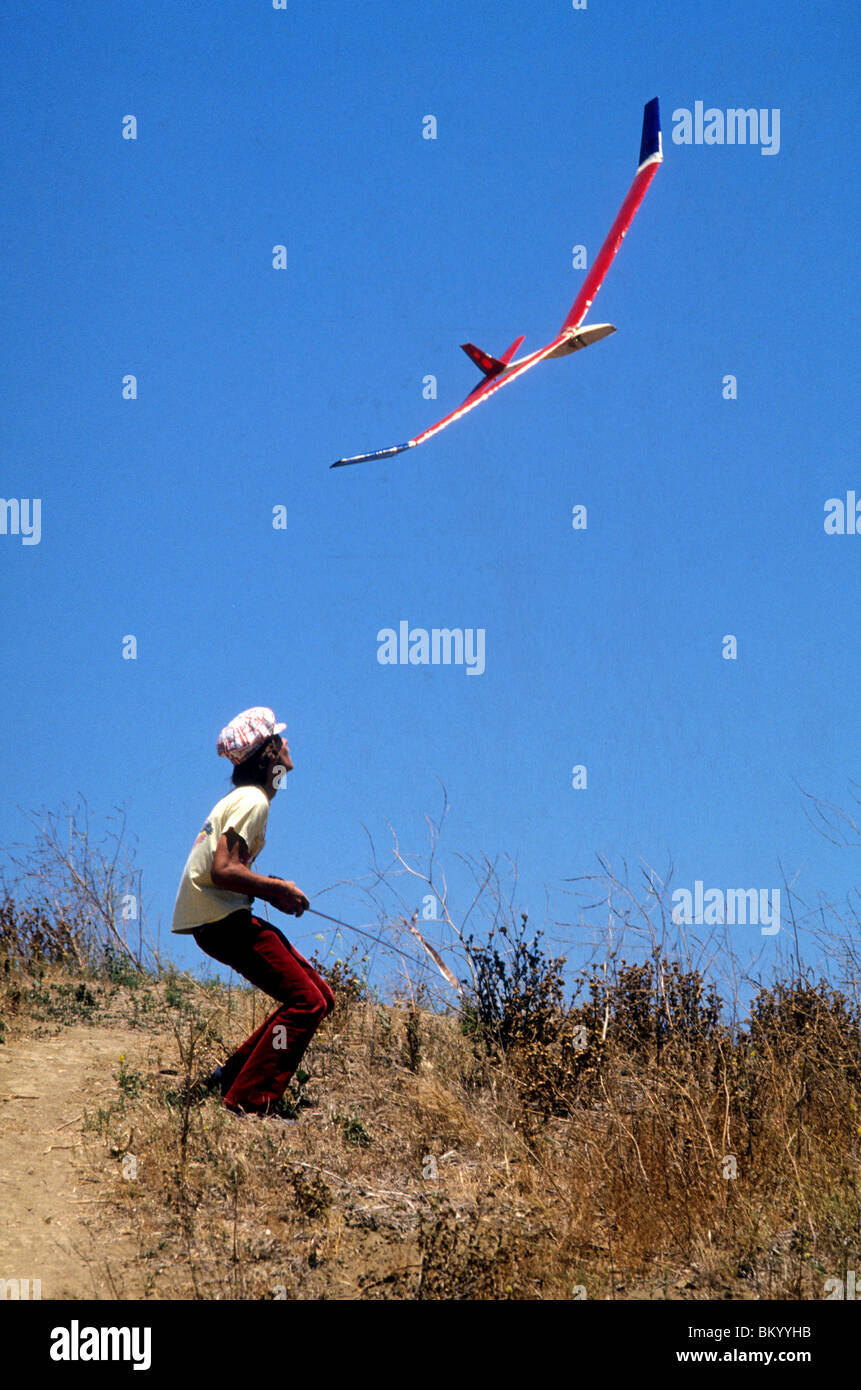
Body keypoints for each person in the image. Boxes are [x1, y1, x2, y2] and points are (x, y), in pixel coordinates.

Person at [171, 706, 334, 1119]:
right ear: (270, 754)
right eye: (280, 739)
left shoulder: (242, 798)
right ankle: (248, 1098)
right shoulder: (253, 800)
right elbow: (223, 870)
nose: (287, 744)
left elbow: (229, 869)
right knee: (307, 1001)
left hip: (218, 919)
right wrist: (277, 889)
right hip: (220, 920)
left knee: (320, 996)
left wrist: (271, 891)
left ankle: (233, 1075)